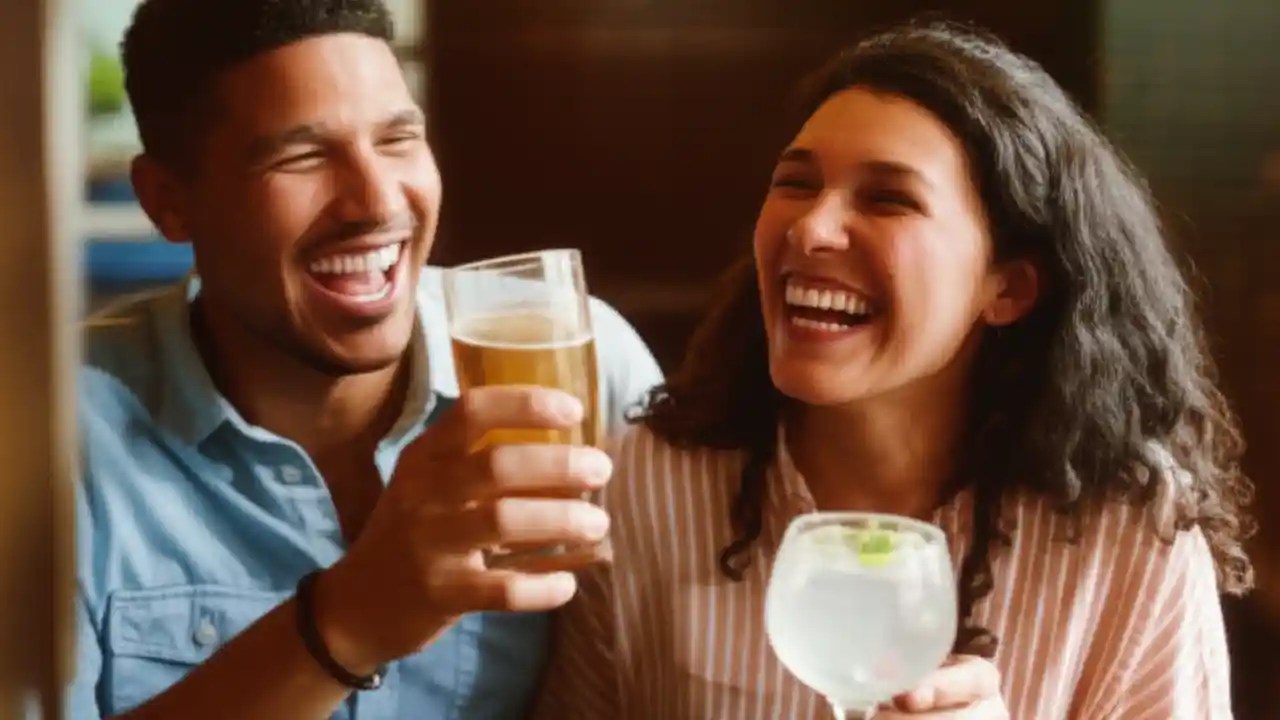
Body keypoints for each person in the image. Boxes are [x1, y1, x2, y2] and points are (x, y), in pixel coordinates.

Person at [535, 20, 1252, 720]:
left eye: (888, 199)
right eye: (796, 183)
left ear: (1006, 289)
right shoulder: (642, 486)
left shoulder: (1129, 535)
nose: (811, 228)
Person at [71, 1, 662, 718]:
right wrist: (346, 623)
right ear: (169, 201)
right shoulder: (47, 441)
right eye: (303, 155)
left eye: (397, 140)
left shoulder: (576, 356)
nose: (377, 201)